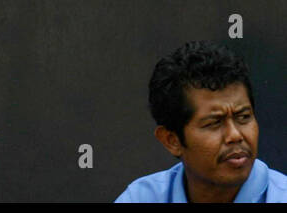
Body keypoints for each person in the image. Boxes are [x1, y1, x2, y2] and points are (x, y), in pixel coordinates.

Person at [116, 40, 287, 203]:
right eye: (214, 123)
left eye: (243, 117)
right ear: (171, 140)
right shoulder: (142, 198)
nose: (235, 135)